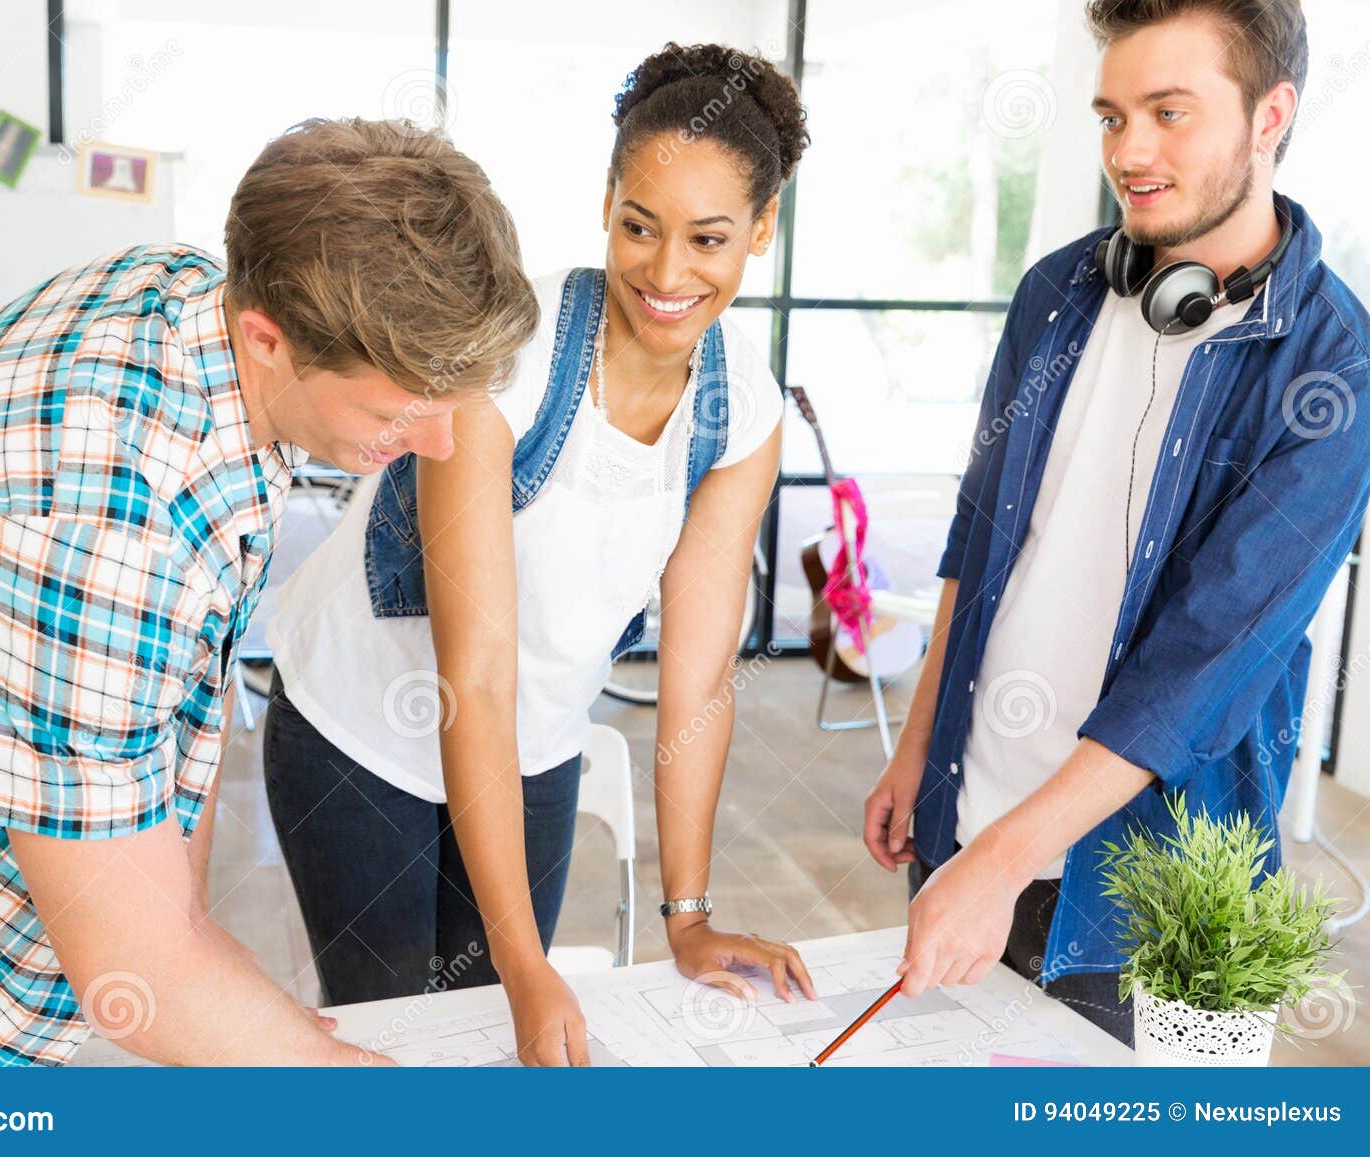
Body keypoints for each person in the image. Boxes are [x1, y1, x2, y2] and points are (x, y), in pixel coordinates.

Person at [0, 118, 538, 1066]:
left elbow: (180, 709)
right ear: (269, 337)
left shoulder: (190, 296)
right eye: (396, 413)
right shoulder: (101, 527)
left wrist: (199, 955)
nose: (439, 448)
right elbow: (135, 974)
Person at [263, 43, 817, 1065]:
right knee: (395, 1036)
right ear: (605, 199)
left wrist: (686, 917)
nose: (664, 272)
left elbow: (697, 678)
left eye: (708, 239)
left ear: (762, 229)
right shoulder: (504, 358)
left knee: (492, 1028)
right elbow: (474, 669)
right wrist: (527, 961)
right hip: (360, 721)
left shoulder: (743, 403)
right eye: (639, 226)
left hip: (535, 742)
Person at [864, 0, 1370, 1044]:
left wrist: (1004, 858)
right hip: (965, 819)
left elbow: (1204, 667)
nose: (1127, 151)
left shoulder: (1336, 370)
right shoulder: (1053, 292)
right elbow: (979, 534)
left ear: (1269, 114)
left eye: (1168, 113)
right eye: (1109, 116)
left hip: (1140, 899)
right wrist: (919, 743)